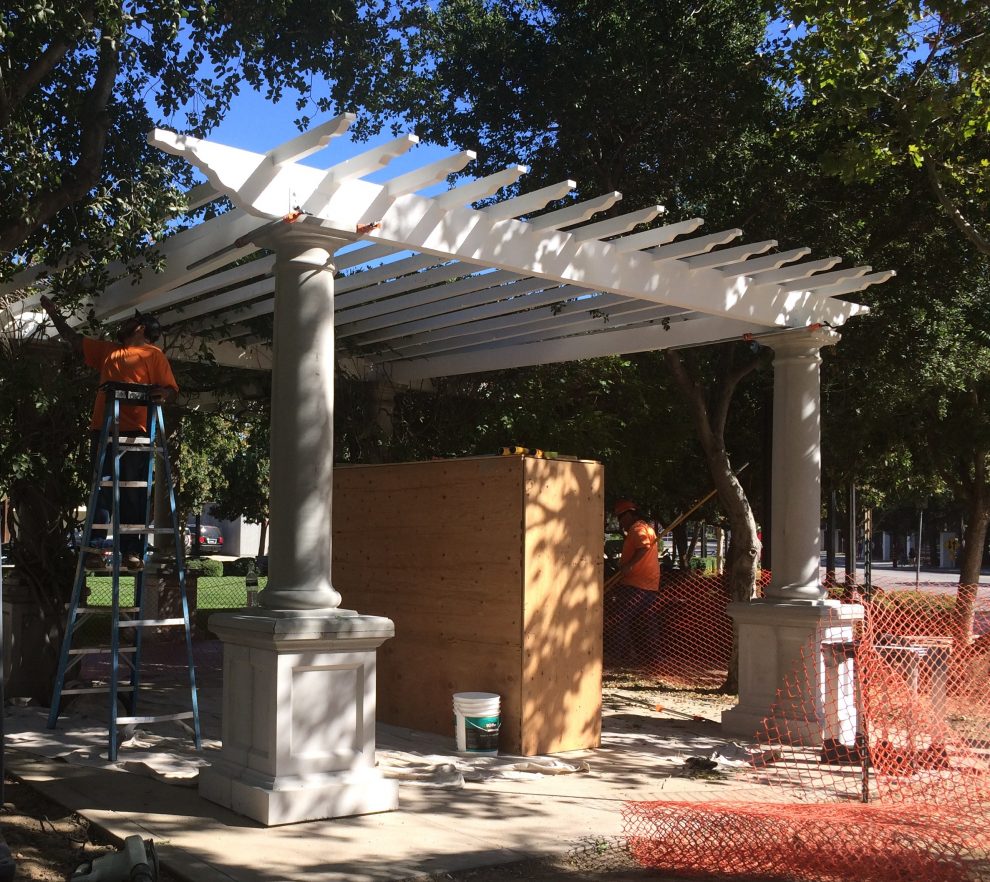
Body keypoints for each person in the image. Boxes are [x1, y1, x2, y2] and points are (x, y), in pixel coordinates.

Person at [39, 296, 178, 571]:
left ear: (140, 327)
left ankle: (131, 552)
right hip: (103, 431)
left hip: (137, 434)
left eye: (132, 319)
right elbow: (74, 339)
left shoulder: (154, 355)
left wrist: (164, 394)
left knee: (133, 495)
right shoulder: (109, 352)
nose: (126, 322)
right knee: (102, 491)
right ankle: (94, 549)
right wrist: (54, 313)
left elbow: (171, 389)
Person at [609, 499, 661, 664]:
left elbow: (644, 547)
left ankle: (616, 657)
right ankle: (652, 659)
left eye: (620, 517)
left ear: (629, 515)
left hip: (636, 585)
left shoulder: (637, 529)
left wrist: (628, 566)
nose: (620, 522)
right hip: (650, 585)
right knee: (646, 621)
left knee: (620, 618)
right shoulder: (647, 528)